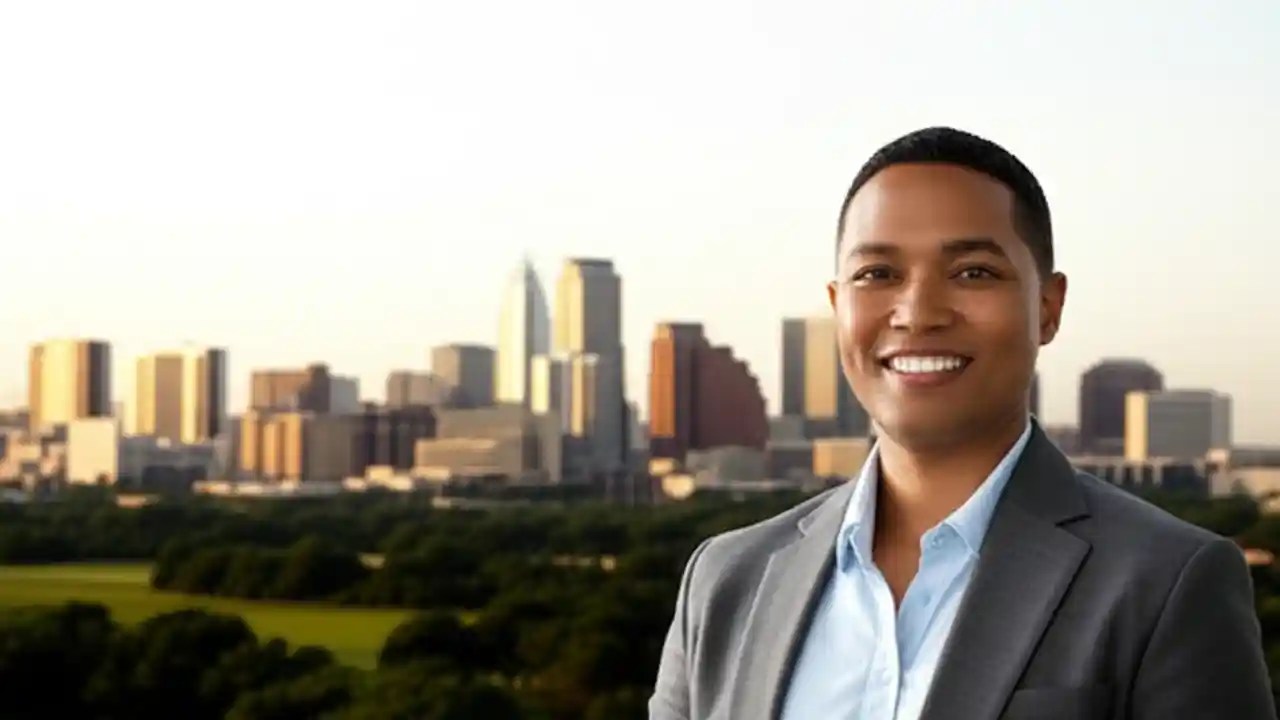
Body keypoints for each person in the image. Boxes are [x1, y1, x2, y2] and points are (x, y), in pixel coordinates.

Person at [648, 127, 1275, 720]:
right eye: (878, 274)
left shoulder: (1168, 581)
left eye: (973, 272)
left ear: (1048, 308)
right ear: (838, 306)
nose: (918, 312)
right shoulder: (726, 580)